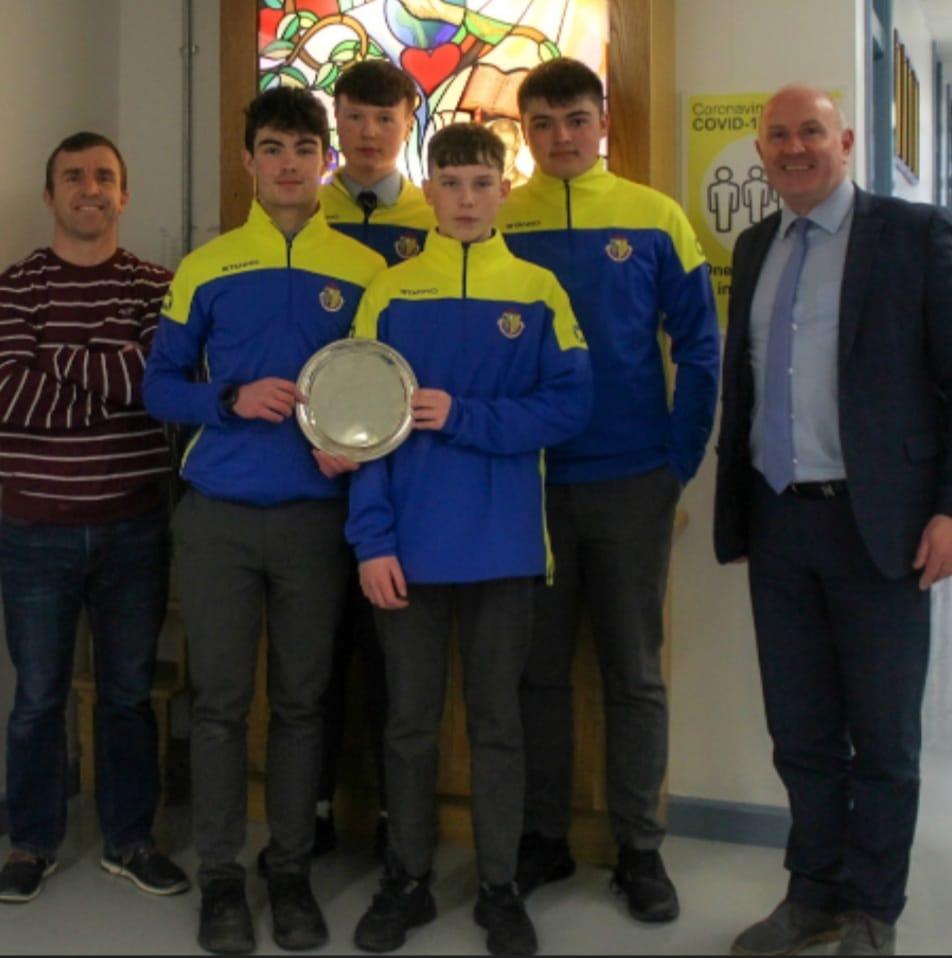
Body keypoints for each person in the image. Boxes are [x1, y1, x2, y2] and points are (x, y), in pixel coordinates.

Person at [143, 88, 385, 954]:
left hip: (317, 522)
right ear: (248, 161)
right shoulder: (205, 267)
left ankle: (288, 871)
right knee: (217, 705)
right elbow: (159, 385)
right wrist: (229, 398)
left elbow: (377, 391)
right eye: (273, 147)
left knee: (302, 703)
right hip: (216, 519)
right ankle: (219, 879)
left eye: (303, 148)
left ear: (325, 161)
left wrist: (349, 447)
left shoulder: (363, 271)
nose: (289, 163)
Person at [714, 84, 952, 957]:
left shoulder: (913, 236)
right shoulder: (756, 244)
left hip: (878, 523)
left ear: (845, 139)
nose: (793, 147)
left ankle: (872, 908)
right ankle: (811, 891)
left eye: (809, 131)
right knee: (802, 726)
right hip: (780, 520)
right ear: (763, 150)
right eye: (777, 136)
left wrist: (949, 511)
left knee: (884, 733)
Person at [347, 123, 592, 957]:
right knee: (410, 726)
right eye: (449, 183)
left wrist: (466, 415)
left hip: (505, 548)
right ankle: (406, 882)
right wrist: (370, 541)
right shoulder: (387, 293)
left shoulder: (539, 291)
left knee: (497, 727)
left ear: (502, 186)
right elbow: (362, 428)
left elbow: (571, 407)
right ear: (429, 187)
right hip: (406, 553)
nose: (464, 199)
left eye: (480, 183)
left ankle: (498, 887)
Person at [499, 58, 719, 920]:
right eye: (544, 123)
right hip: (529, 484)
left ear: (603, 125)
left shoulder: (656, 217)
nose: (562, 137)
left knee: (634, 674)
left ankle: (640, 848)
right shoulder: (495, 218)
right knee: (537, 674)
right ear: (525, 132)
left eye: (576, 120)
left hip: (635, 482)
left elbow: (700, 345)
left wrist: (680, 458)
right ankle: (543, 839)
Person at [0, 132, 189, 903]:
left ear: (125, 194)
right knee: (38, 694)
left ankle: (129, 840)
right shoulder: (12, 290)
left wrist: (62, 357)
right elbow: (12, 398)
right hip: (31, 527)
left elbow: (154, 388)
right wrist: (108, 365)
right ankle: (31, 842)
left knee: (126, 691)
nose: (90, 188)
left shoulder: (159, 288)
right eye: (73, 177)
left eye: (105, 176)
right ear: (50, 196)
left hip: (134, 524)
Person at [308, 58, 436, 861]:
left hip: (403, 478)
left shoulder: (438, 215)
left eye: (384, 121)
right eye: (353, 117)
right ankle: (314, 809)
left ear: (406, 128)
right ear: (336, 123)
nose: (367, 133)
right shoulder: (299, 213)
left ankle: (397, 817)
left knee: (396, 657)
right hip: (312, 473)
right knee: (317, 654)